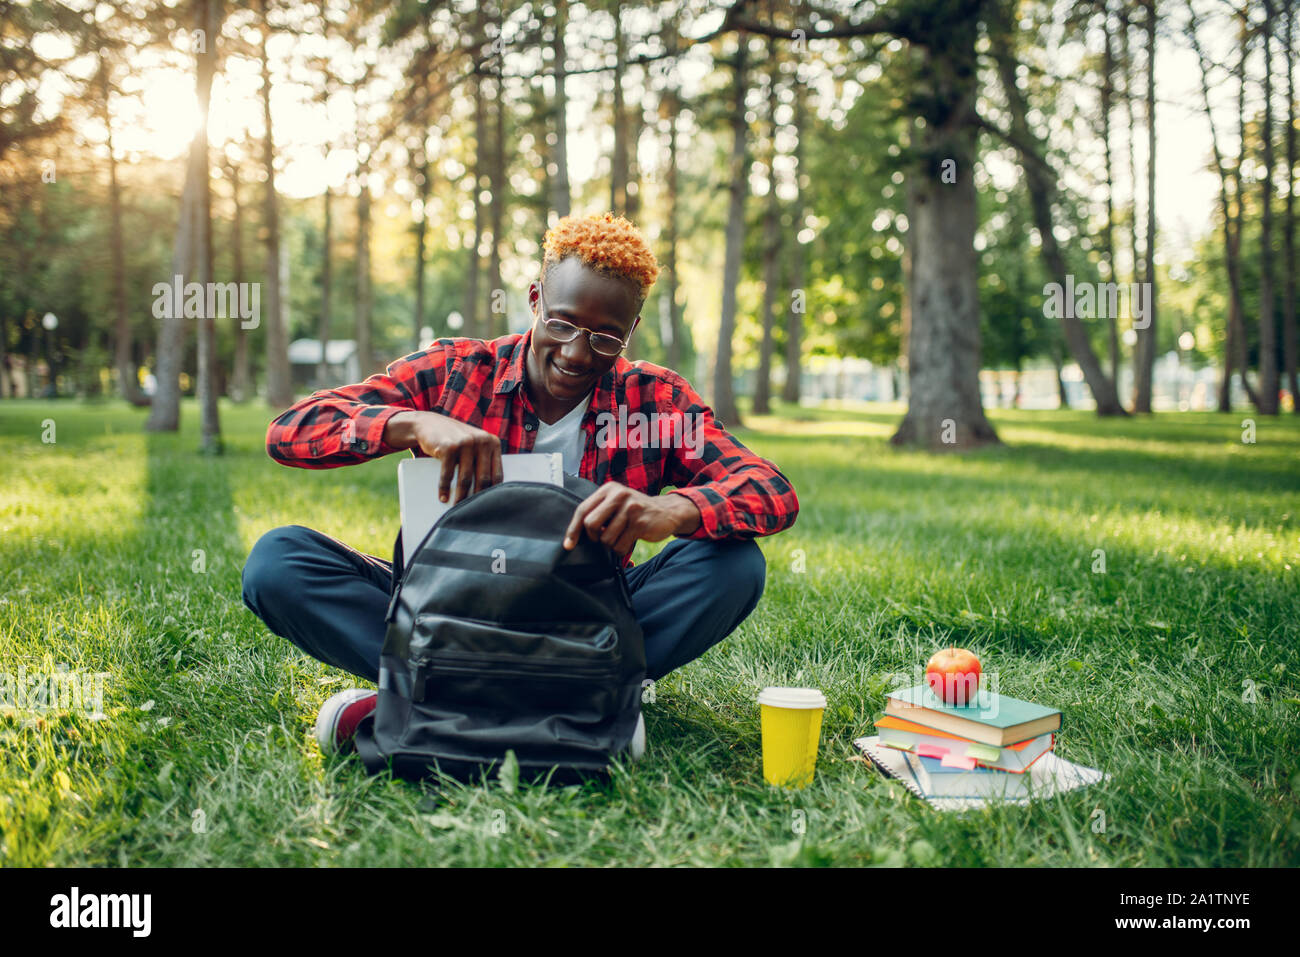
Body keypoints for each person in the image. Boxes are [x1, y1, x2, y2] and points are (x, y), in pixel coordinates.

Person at [240, 212, 799, 756]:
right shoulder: (457, 370)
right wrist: (412, 423)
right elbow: (291, 430)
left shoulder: (654, 400)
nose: (577, 353)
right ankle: (582, 712)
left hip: (585, 617)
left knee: (733, 565)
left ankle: (430, 704)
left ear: (632, 328)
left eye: (607, 337)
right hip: (443, 609)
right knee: (279, 561)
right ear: (534, 300)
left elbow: (769, 489)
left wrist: (672, 511)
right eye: (560, 323)